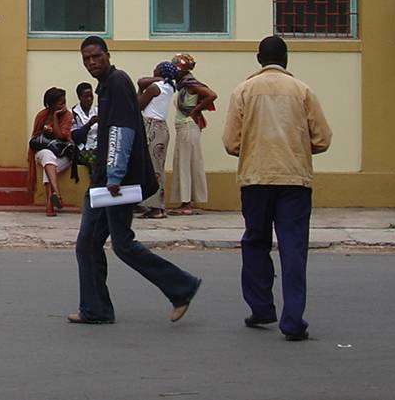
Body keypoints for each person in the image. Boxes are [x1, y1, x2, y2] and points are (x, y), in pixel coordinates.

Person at [68, 36, 202, 326]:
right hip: (105, 178)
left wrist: (114, 175)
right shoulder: (108, 85)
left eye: (96, 56)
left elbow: (122, 129)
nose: (91, 62)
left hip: (114, 182)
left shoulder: (116, 82)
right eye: (86, 58)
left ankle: (181, 286)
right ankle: (96, 309)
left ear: (107, 55)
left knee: (121, 244)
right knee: (89, 243)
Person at [223, 35, 331, 343]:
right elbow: (322, 138)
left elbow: (232, 142)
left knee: (255, 242)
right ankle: (293, 320)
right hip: (294, 180)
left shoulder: (243, 90)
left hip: (255, 179)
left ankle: (261, 307)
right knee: (293, 248)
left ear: (259, 59)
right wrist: (297, 148)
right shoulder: (302, 91)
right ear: (286, 59)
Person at [169, 53, 217, 215]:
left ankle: (186, 203)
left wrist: (195, 110)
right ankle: (187, 200)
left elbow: (212, 94)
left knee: (185, 163)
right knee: (186, 162)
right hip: (184, 127)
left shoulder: (190, 84)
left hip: (187, 126)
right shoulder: (182, 84)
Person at [135, 61, 179, 219]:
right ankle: (153, 204)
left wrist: (140, 88)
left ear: (159, 71)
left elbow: (138, 104)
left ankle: (155, 207)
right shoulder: (168, 87)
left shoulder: (155, 87)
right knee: (157, 167)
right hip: (161, 128)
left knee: (152, 168)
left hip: (151, 127)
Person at [29, 87, 76, 217]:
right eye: (60, 103)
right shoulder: (41, 116)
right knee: (48, 156)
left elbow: (61, 136)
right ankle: (57, 194)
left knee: (49, 167)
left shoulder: (67, 115)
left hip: (62, 153)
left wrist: (55, 117)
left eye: (64, 102)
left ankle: (50, 203)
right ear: (51, 104)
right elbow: (35, 137)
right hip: (43, 151)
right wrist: (45, 131)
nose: (64, 105)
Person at [72, 81, 98, 169]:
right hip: (82, 150)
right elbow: (75, 137)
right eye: (86, 97)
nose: (89, 99)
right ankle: (96, 183)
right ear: (79, 97)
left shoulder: (98, 111)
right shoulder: (74, 114)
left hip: (98, 148)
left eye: (91, 96)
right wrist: (89, 124)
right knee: (96, 162)